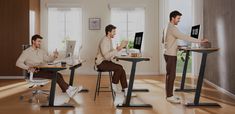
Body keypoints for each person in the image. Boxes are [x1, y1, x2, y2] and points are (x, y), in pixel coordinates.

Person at [162, 10, 208, 103]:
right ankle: (169, 96)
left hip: (166, 53)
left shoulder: (166, 27)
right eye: (178, 18)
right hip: (171, 54)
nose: (179, 20)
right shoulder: (173, 28)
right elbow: (184, 37)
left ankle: (169, 95)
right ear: (173, 18)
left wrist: (175, 46)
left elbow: (164, 41)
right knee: (171, 75)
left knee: (169, 75)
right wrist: (200, 41)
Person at [16, 34, 82, 98]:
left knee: (58, 75)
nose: (40, 43)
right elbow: (18, 63)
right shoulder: (26, 52)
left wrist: (54, 56)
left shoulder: (41, 51)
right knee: (55, 76)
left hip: (42, 69)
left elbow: (48, 59)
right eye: (38, 41)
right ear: (33, 41)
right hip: (34, 72)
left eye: (40, 41)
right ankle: (70, 90)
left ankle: (67, 90)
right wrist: (28, 68)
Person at [95, 24, 132, 97]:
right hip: (101, 63)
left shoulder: (109, 40)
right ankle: (113, 84)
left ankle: (126, 89)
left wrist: (117, 51)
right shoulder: (104, 41)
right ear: (109, 32)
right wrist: (119, 48)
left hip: (106, 62)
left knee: (121, 69)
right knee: (119, 68)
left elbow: (110, 53)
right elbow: (106, 56)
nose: (115, 33)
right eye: (114, 31)